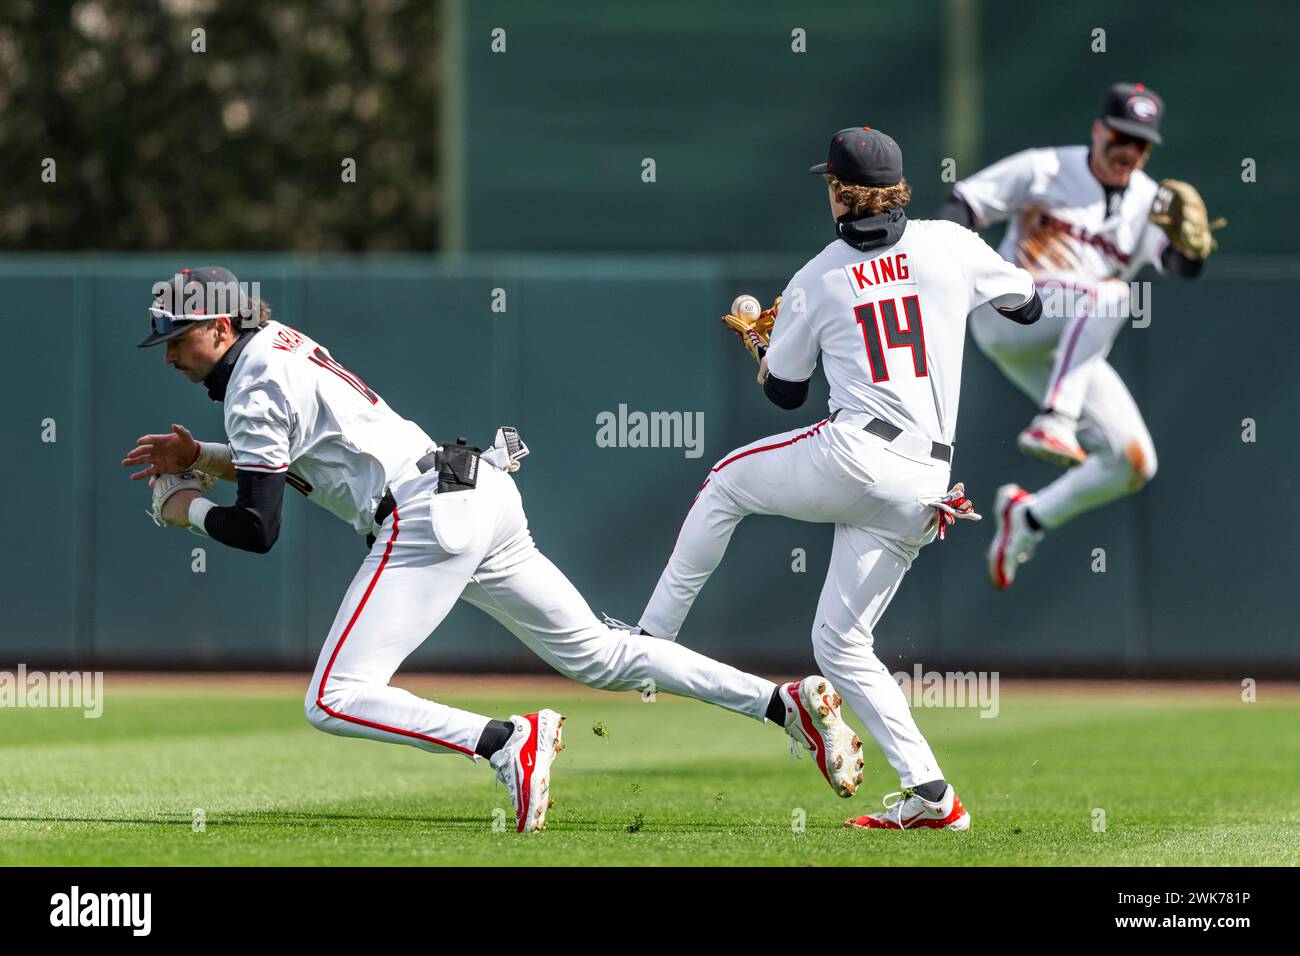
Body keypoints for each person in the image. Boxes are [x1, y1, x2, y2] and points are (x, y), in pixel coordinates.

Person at [123, 266, 861, 833]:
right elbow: (315, 452)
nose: (170, 357)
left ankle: (505, 740)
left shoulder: (251, 381)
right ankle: (781, 702)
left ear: (220, 326)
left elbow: (258, 528)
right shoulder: (279, 348)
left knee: (331, 698)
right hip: (473, 489)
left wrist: (184, 507)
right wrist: (209, 457)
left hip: (423, 516)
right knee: (603, 656)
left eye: (177, 339)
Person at [627, 127, 1040, 830]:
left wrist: (762, 343)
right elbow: (1026, 305)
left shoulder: (818, 275)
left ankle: (649, 642)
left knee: (725, 482)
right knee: (841, 646)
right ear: (899, 187)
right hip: (928, 485)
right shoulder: (951, 243)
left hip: (856, 453)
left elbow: (784, 392)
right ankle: (935, 798)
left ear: (837, 191)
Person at [937, 82, 1220, 589]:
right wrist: (955, 274)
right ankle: (1056, 420)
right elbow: (962, 205)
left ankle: (1027, 517)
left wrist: (1192, 251)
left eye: (1141, 143)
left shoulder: (1150, 199)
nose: (1128, 151)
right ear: (1098, 129)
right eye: (1120, 136)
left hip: (1069, 347)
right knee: (1111, 296)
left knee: (1133, 461)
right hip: (1009, 311)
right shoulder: (1045, 168)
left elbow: (1177, 264)